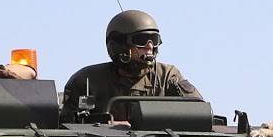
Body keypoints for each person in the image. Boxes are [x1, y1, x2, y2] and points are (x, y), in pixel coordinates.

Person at [60, 9, 202, 118]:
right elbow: (68, 122)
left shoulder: (167, 76)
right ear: (119, 46)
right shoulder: (87, 80)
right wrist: (112, 126)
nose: (149, 47)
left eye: (154, 39)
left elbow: (199, 113)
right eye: (141, 40)